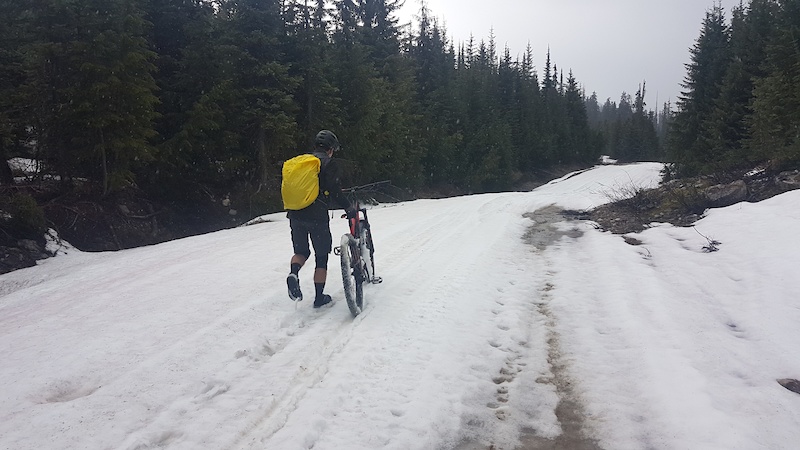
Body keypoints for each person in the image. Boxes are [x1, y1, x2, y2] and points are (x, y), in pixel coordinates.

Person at [286, 130, 356, 308]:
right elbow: (334, 190)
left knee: (302, 252)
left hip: (295, 214)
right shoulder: (328, 163)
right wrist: (348, 207)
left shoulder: (304, 162)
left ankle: (293, 273)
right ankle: (319, 298)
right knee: (321, 257)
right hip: (316, 216)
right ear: (331, 149)